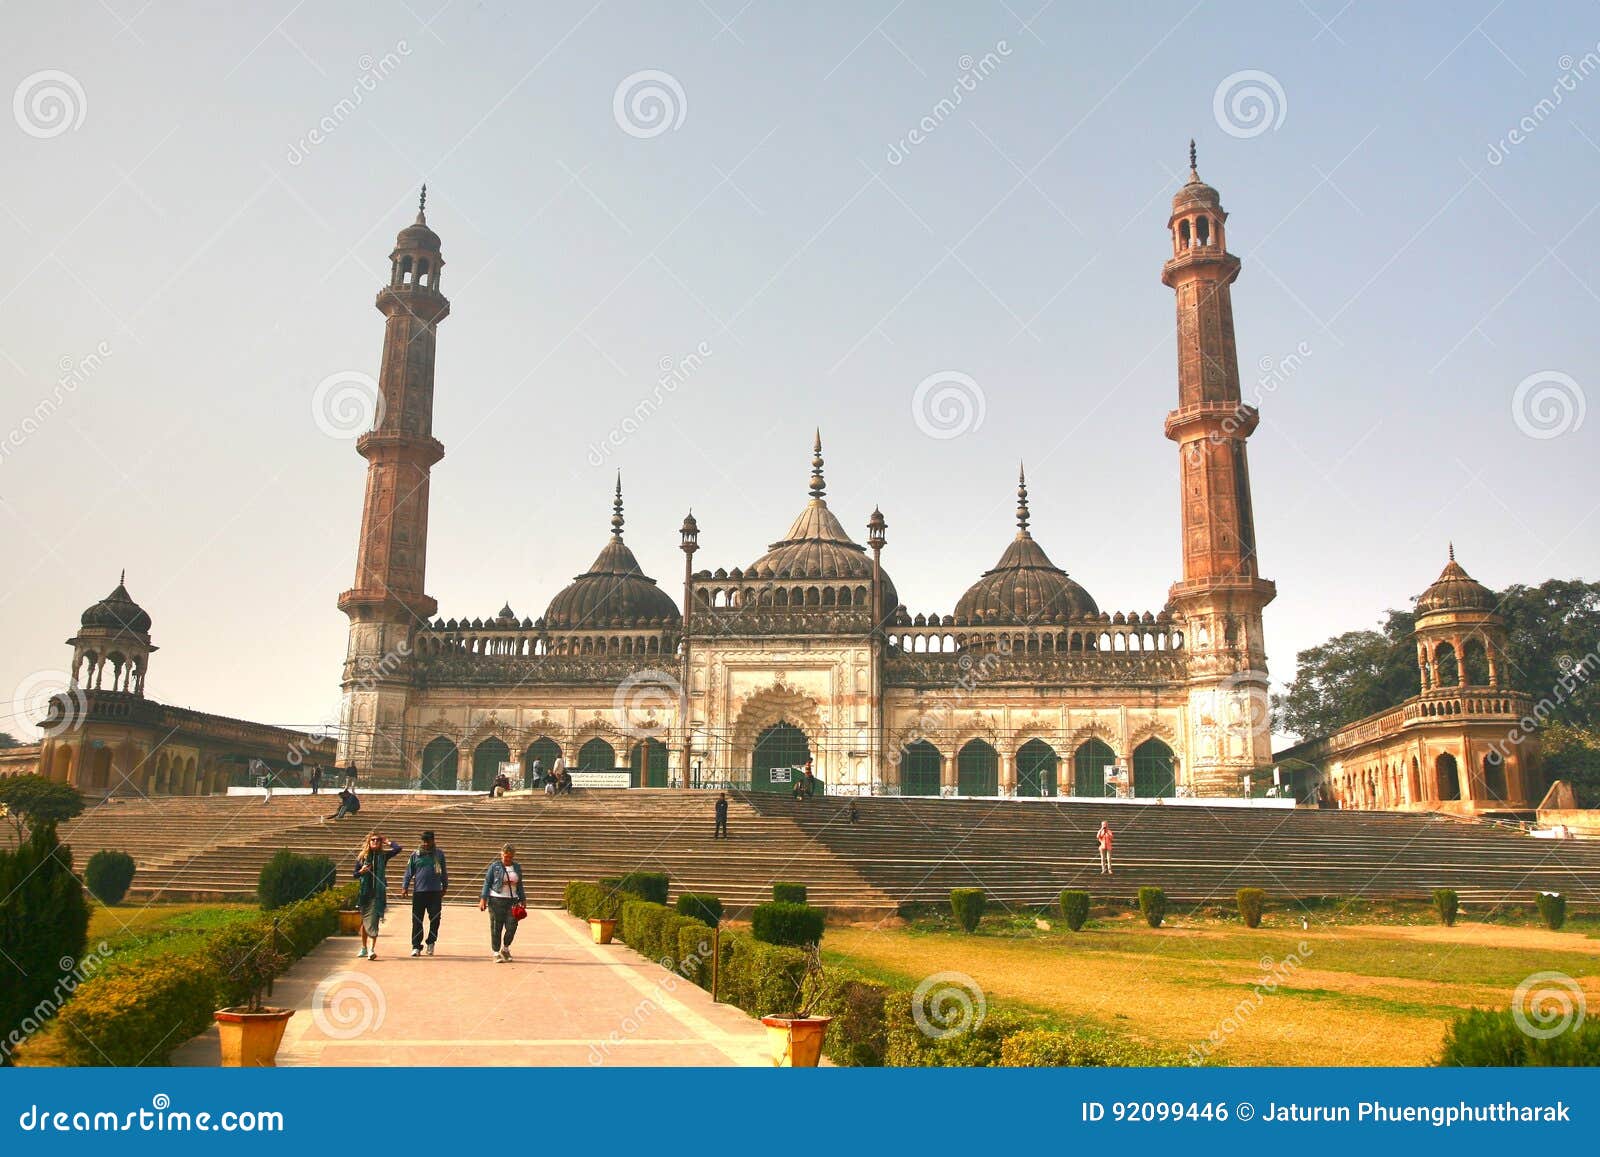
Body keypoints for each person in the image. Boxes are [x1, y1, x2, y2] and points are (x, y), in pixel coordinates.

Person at [353, 832, 402, 960]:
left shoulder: (383, 856)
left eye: (378, 840)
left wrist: (388, 842)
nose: (375, 842)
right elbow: (354, 875)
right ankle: (364, 948)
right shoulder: (362, 858)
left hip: (377, 894)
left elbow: (398, 849)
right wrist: (361, 871)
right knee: (365, 921)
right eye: (373, 840)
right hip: (365, 893)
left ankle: (371, 949)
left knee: (373, 921)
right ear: (369, 842)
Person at [401, 829, 449, 957]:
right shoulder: (415, 855)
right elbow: (409, 872)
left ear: (433, 840)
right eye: (424, 841)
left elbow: (443, 871)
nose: (426, 844)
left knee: (435, 919)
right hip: (419, 892)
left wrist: (445, 885)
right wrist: (404, 886)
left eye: (428, 841)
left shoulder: (439, 854)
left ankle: (431, 942)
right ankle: (416, 946)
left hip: (434, 892)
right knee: (417, 920)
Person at [479, 843, 525, 962]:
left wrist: (523, 899)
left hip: (513, 901)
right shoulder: (495, 866)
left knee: (512, 926)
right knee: (496, 927)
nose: (507, 859)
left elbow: (519, 884)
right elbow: (487, 882)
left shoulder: (517, 867)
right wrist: (483, 899)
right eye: (505, 856)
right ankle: (495, 952)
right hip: (496, 900)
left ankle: (505, 948)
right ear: (501, 855)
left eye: (510, 857)